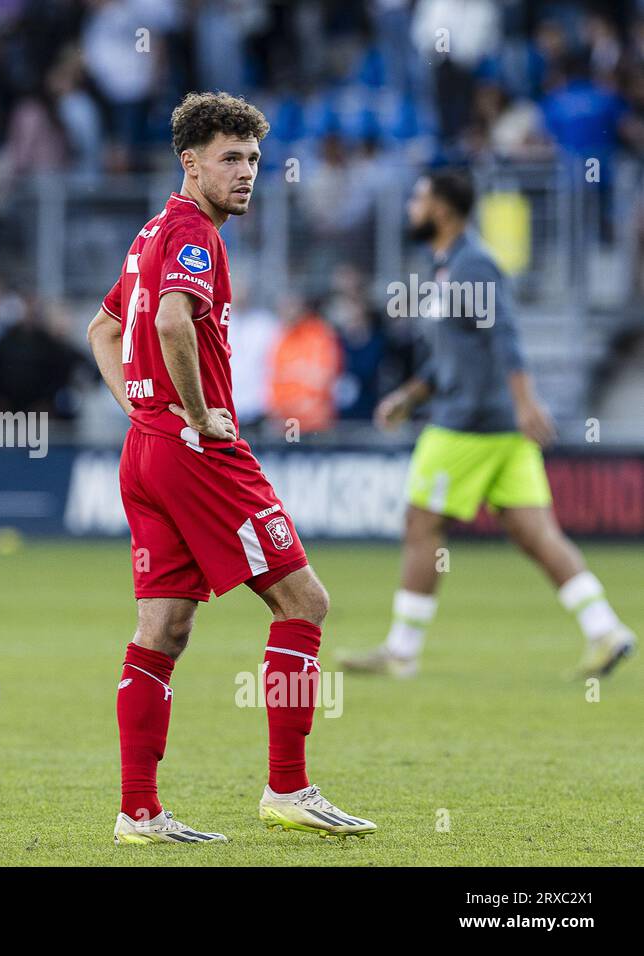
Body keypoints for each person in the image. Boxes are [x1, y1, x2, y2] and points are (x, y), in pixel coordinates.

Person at [86, 91, 376, 845]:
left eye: (252, 159)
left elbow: (102, 329)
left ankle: (138, 811)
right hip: (198, 454)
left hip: (146, 451)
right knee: (305, 605)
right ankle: (289, 788)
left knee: (162, 629)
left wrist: (140, 407)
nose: (247, 173)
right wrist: (197, 410)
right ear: (191, 163)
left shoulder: (151, 231)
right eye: (231, 160)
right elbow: (172, 320)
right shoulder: (193, 235)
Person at [341, 170, 635, 679]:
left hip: (468, 423)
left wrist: (526, 401)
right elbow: (461, 352)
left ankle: (402, 652)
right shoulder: (446, 265)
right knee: (535, 534)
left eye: (419, 197)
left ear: (445, 209)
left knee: (421, 523)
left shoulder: (473, 263)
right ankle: (607, 629)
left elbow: (505, 336)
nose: (412, 206)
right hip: (497, 424)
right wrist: (412, 395)